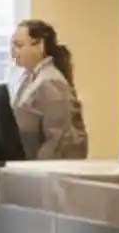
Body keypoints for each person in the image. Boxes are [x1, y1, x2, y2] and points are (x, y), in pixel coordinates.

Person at [11, 20, 89, 160]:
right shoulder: (28, 78)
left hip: (48, 168)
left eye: (19, 45)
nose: (13, 51)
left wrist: (36, 172)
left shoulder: (51, 81)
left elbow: (57, 140)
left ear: (39, 45)